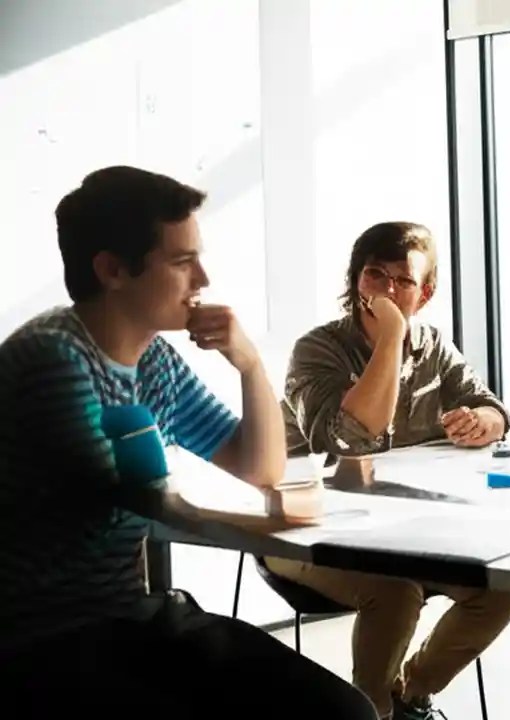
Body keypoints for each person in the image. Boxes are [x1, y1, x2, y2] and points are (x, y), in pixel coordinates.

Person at [0, 166, 376, 719]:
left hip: (125, 617)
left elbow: (261, 468)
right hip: (43, 636)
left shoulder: (156, 360)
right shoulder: (53, 359)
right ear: (112, 270)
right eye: (181, 262)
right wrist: (263, 522)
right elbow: (138, 494)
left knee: (344, 711)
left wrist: (248, 362)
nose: (202, 277)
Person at [267, 221, 510, 720]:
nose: (385, 289)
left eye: (402, 281)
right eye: (374, 275)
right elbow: (343, 439)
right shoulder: (317, 348)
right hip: (303, 527)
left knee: (499, 589)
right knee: (395, 591)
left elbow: (491, 406)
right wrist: (392, 338)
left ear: (424, 294)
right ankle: (373, 710)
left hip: (404, 529)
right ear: (355, 280)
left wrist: (483, 422)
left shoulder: (434, 346)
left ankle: (409, 696)